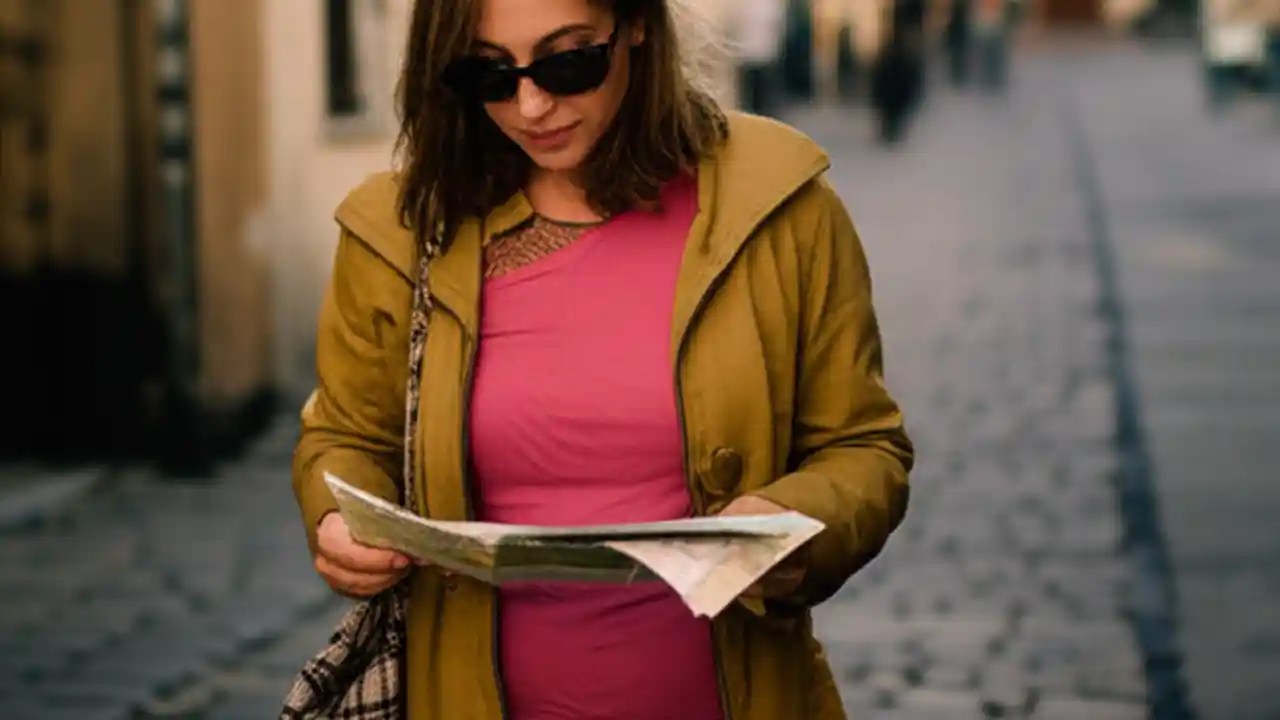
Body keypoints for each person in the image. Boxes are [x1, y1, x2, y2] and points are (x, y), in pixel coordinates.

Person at [292, 0, 913, 718]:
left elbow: (864, 447)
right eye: (488, 73)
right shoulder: (400, 231)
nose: (532, 104)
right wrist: (338, 521)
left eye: (569, 62)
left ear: (638, 23)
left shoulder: (778, 205)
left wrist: (791, 522)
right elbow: (345, 436)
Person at [731, 0, 787, 116]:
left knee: (762, 94)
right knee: (750, 94)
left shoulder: (770, 4)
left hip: (762, 54)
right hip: (749, 53)